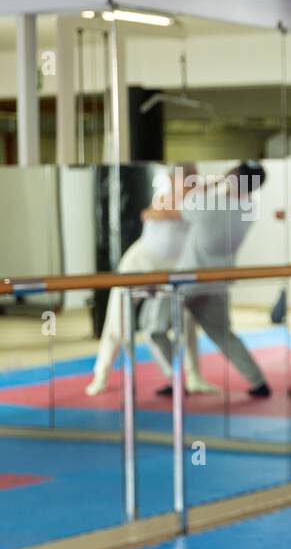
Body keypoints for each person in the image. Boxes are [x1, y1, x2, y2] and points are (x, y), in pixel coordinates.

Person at [145, 161, 273, 399]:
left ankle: (176, 380)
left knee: (155, 329)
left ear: (234, 176)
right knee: (224, 335)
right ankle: (259, 382)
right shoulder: (249, 209)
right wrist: (226, 181)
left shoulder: (210, 203)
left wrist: (217, 180)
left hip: (186, 281)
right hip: (217, 283)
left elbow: (178, 202)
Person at [85, 166, 213, 397]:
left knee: (187, 320)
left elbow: (185, 210)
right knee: (117, 323)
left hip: (169, 270)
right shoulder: (166, 196)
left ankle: (194, 376)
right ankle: (100, 375)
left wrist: (211, 185)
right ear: (174, 179)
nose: (192, 184)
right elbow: (152, 213)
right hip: (138, 265)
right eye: (187, 179)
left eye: (195, 180)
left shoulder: (198, 201)